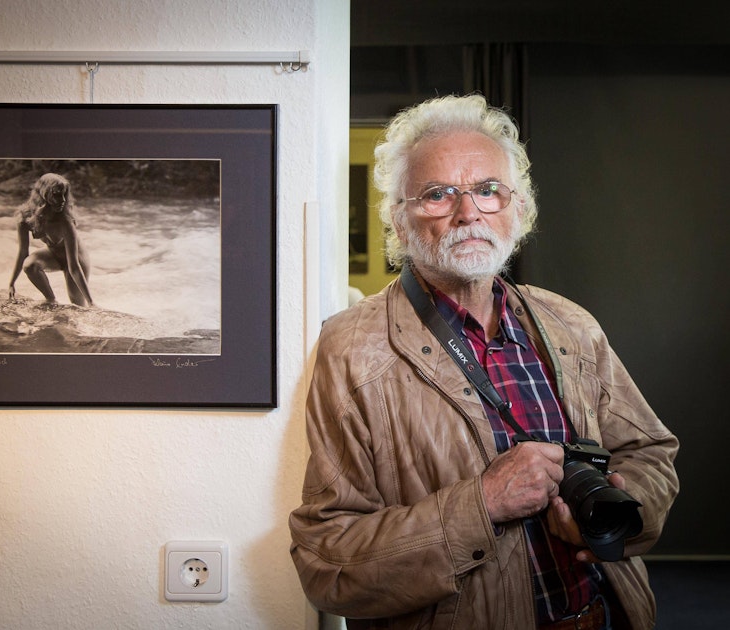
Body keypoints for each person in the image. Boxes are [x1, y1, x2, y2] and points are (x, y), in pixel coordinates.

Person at [289, 94, 679, 629]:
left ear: (517, 210)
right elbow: (326, 560)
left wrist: (618, 506)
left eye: (488, 190)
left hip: (606, 616)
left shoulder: (570, 323)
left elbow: (650, 452)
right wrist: (482, 504)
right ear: (400, 222)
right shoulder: (353, 348)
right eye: (437, 194)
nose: (468, 212)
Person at [9, 172, 94, 307]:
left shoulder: (65, 221)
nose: (63, 200)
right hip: (53, 254)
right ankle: (51, 300)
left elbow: (74, 266)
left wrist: (91, 302)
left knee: (78, 306)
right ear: (43, 194)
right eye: (56, 195)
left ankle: (86, 304)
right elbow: (23, 253)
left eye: (64, 194)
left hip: (76, 260)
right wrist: (12, 283)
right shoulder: (25, 217)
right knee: (29, 265)